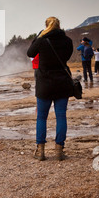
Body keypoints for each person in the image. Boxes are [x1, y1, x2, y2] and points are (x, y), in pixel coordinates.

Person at [27, 17, 73, 161]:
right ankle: (59, 150)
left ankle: (40, 151)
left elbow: (30, 53)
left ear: (46, 26)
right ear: (60, 26)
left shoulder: (41, 40)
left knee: (41, 117)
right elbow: (67, 57)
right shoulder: (67, 41)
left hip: (44, 84)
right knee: (61, 116)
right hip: (62, 83)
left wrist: (39, 35)